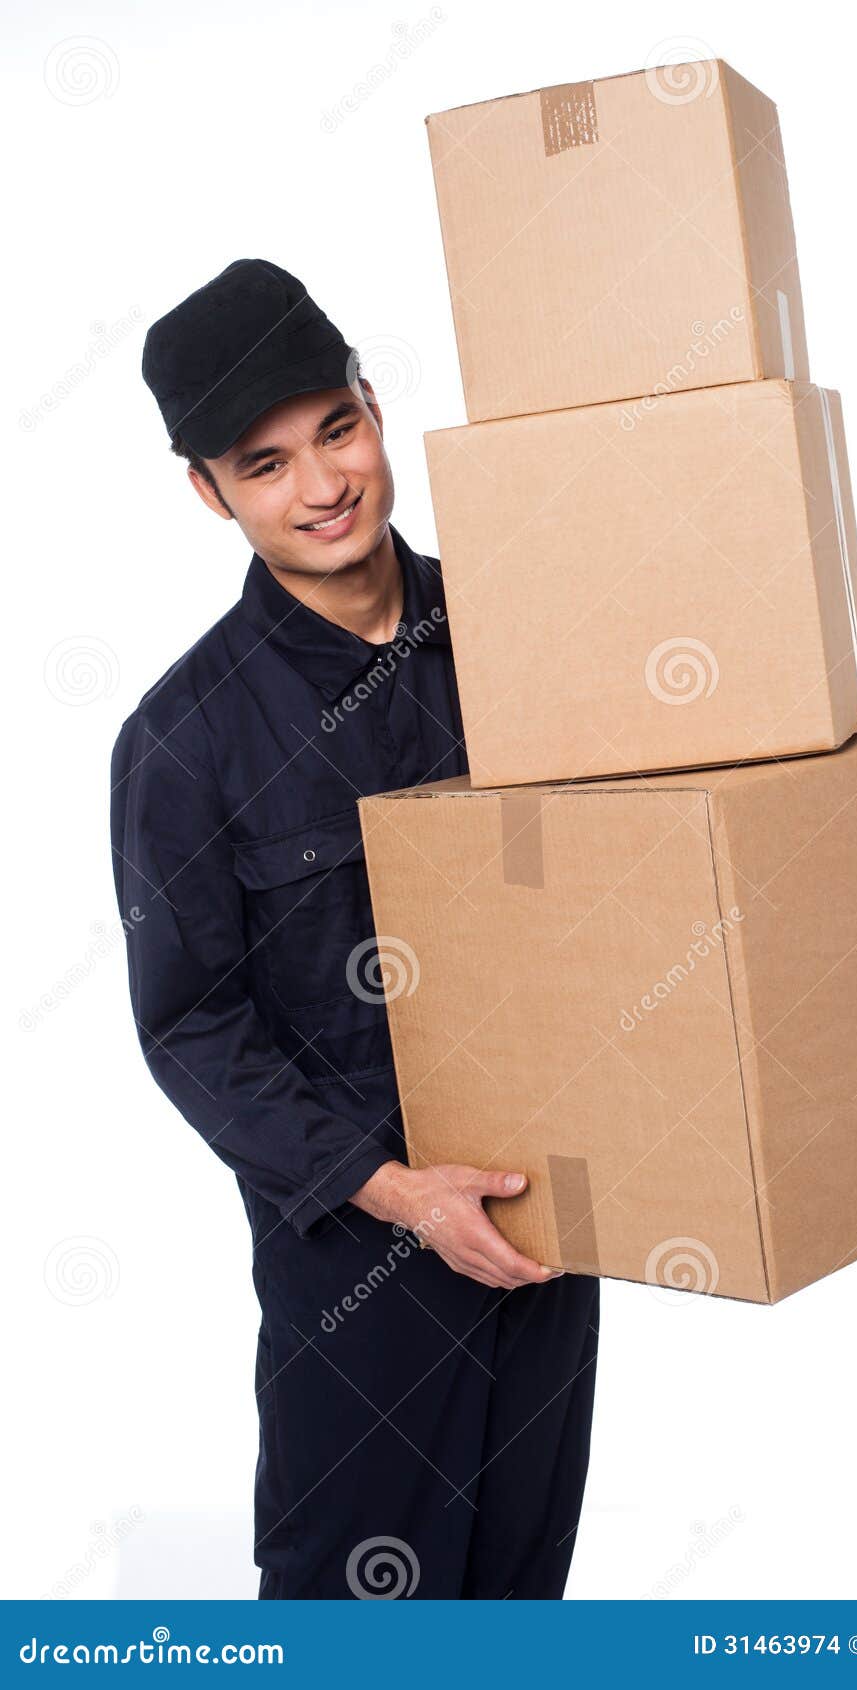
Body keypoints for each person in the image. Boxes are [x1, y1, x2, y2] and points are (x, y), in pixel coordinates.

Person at [110, 258, 599, 1599]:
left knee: (515, 1606)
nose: (322, 484)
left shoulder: (522, 642)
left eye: (337, 428)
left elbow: (626, 880)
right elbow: (192, 1028)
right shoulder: (183, 741)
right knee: (355, 1627)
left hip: (545, 1232)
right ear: (208, 491)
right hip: (356, 1270)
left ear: (375, 410)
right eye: (263, 465)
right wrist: (395, 1193)